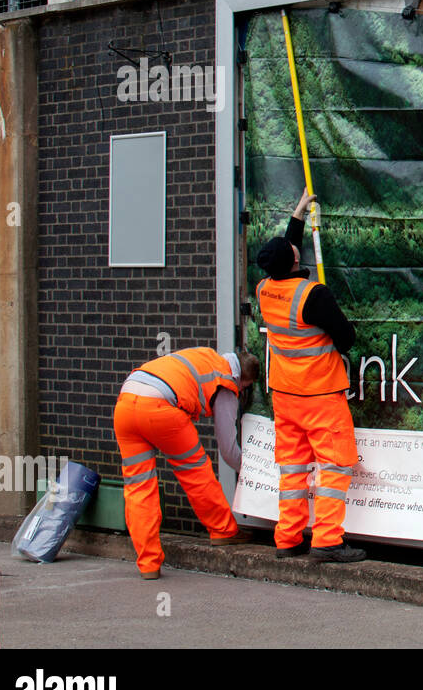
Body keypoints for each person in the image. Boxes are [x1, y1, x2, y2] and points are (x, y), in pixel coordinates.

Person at [256, 187, 366, 563]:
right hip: (320, 396)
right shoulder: (314, 296)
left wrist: (299, 212)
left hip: (285, 398)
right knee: (334, 467)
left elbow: (285, 250)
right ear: (294, 261)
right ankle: (327, 542)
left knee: (293, 469)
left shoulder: (265, 290)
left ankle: (287, 539)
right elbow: (347, 339)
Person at [114, 347, 260, 579]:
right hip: (160, 408)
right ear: (244, 381)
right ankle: (223, 530)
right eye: (245, 388)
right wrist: (253, 472)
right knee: (196, 472)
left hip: (125, 404)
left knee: (138, 487)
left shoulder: (207, 356)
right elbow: (228, 449)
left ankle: (148, 564)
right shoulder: (227, 384)